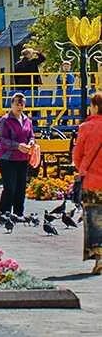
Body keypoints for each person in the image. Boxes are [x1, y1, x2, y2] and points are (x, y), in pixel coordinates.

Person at [72, 91, 102, 276]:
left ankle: (99, 259)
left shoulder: (86, 127)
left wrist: (82, 168)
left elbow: (77, 156)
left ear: (96, 107)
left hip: (92, 182)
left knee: (94, 220)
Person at [0, 92, 36, 219]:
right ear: (11, 104)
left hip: (23, 159)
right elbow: (2, 140)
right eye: (17, 104)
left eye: (22, 104)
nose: (19, 106)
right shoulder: (5, 120)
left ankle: (19, 213)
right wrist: (17, 146)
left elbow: (31, 136)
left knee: (21, 187)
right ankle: (4, 213)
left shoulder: (27, 120)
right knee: (9, 187)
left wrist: (31, 142)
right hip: (7, 159)